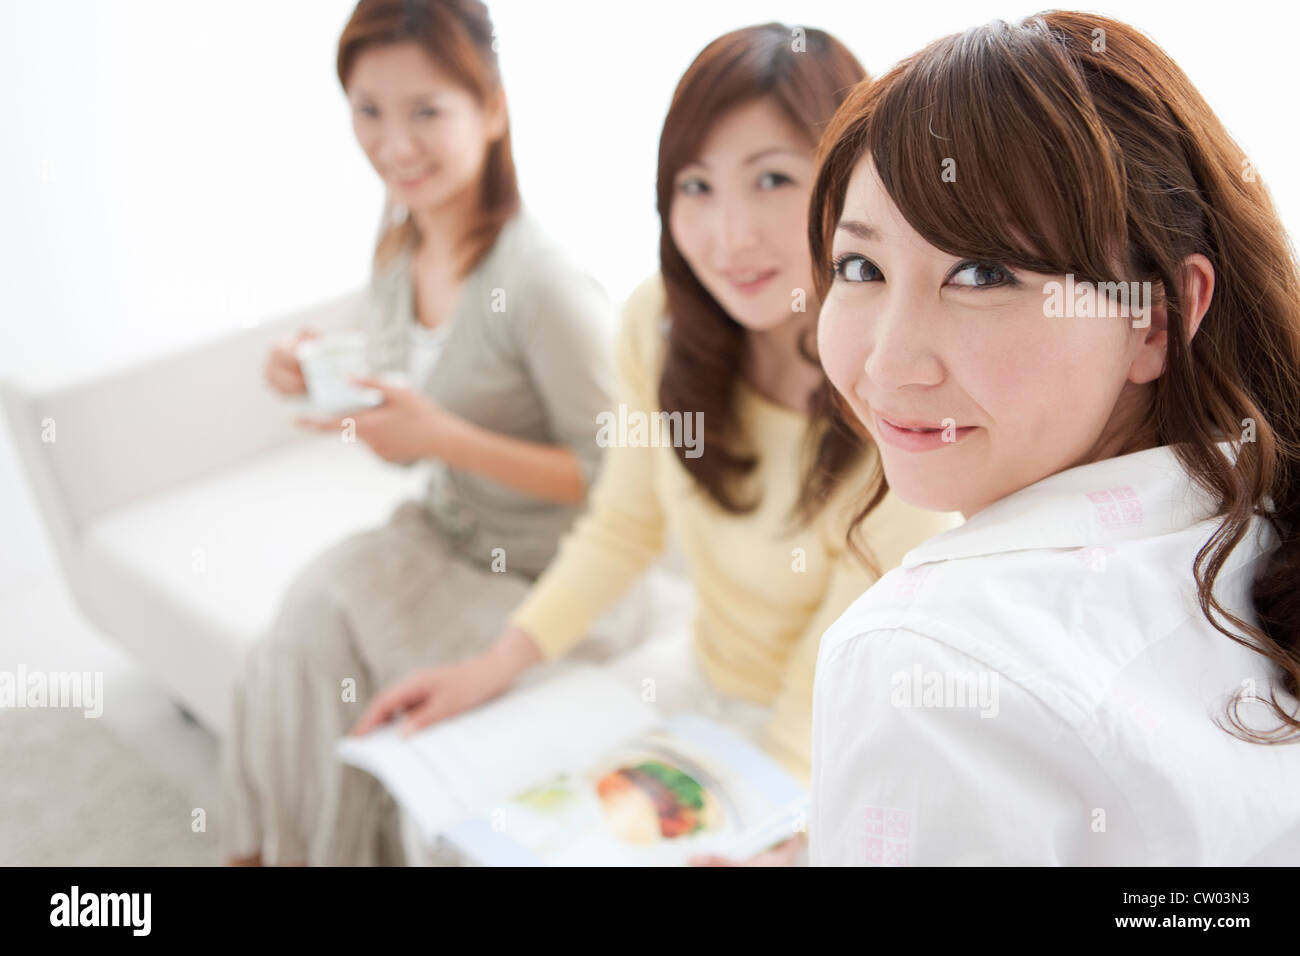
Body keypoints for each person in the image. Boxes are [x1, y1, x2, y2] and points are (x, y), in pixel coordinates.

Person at [353, 22, 958, 867]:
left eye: (773, 179)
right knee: (456, 830)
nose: (727, 234)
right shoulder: (658, 326)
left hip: (830, 730)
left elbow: (838, 660)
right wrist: (491, 667)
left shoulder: (902, 385)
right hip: (696, 680)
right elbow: (622, 526)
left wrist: (776, 827)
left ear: (851, 191)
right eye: (696, 186)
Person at [808, 11, 1300, 865]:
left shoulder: (926, 658)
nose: (889, 364)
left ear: (1159, 317)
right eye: (862, 268)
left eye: (983, 273)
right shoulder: (1250, 500)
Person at [222, 0, 624, 866]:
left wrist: (440, 437)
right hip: (442, 535)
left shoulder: (545, 284)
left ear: (492, 108)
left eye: (426, 112)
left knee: (405, 709)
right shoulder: (401, 251)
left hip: (542, 576)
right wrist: (314, 368)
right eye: (369, 111)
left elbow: (619, 478)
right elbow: (420, 372)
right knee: (293, 643)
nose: (394, 146)